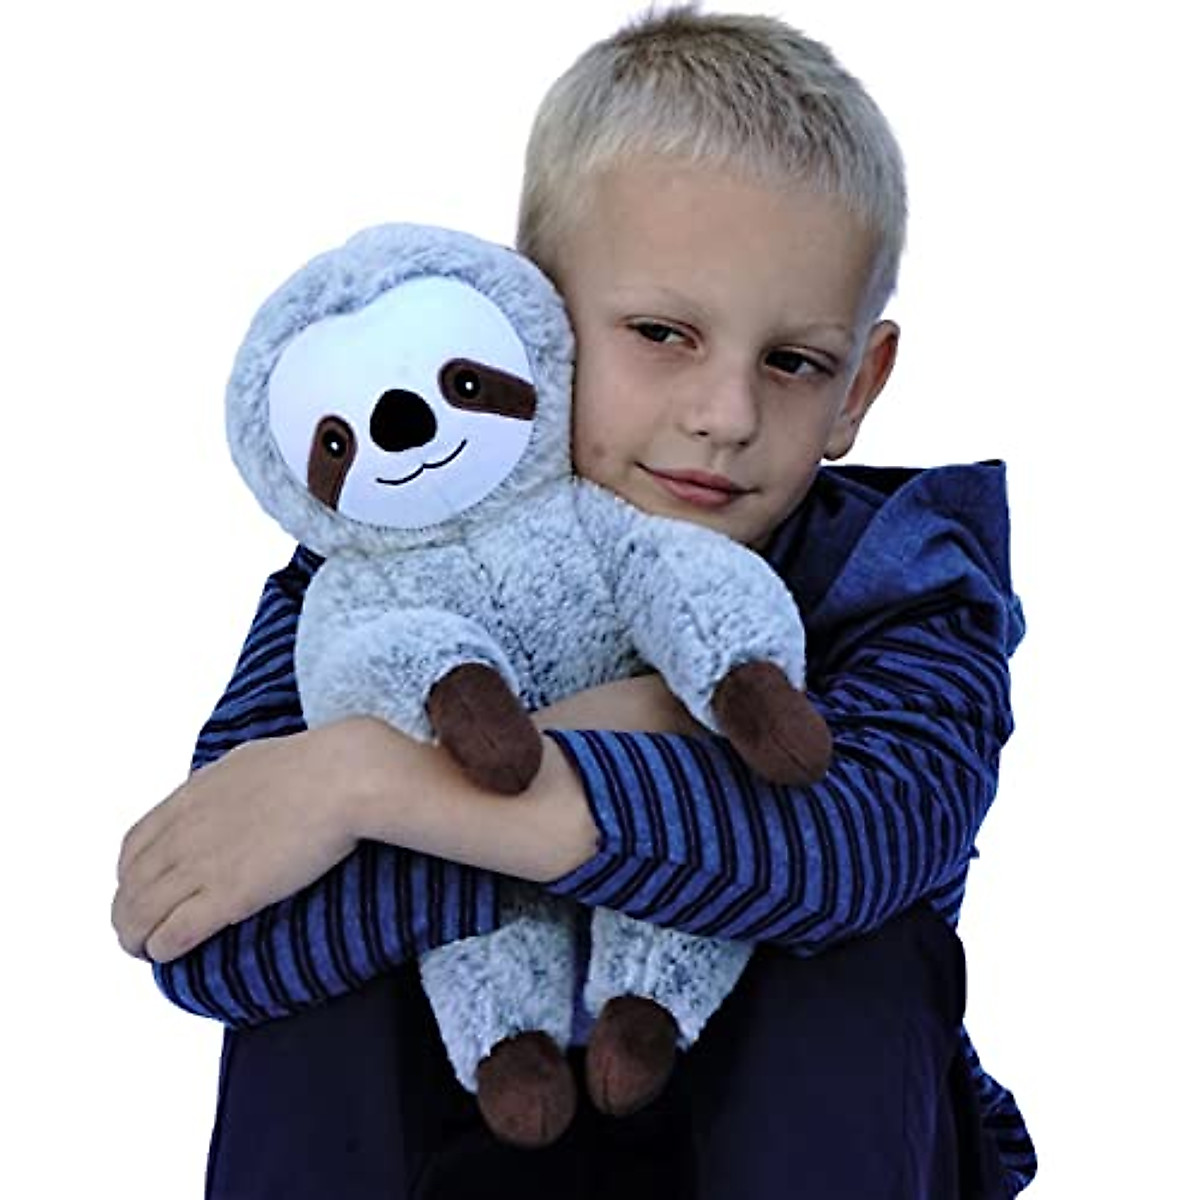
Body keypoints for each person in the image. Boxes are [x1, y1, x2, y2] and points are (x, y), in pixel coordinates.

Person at [112, 6, 1036, 1197]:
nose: (726, 414)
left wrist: (369, 783)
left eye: (793, 362)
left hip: (780, 1147)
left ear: (859, 385)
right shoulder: (372, 570)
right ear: (531, 314)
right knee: (314, 1001)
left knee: (858, 943)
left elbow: (859, 845)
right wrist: (645, 731)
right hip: (476, 1133)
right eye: (662, 333)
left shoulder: (909, 574)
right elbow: (212, 934)